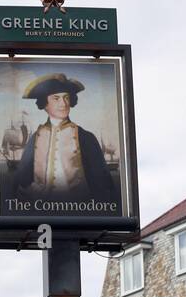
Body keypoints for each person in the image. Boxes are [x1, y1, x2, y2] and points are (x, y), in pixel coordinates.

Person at [13, 72, 118, 208]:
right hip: (41, 212)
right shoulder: (35, 139)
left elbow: (103, 185)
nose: (63, 103)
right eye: (56, 98)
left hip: (81, 213)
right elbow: (22, 181)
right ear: (45, 104)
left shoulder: (86, 138)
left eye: (66, 98)